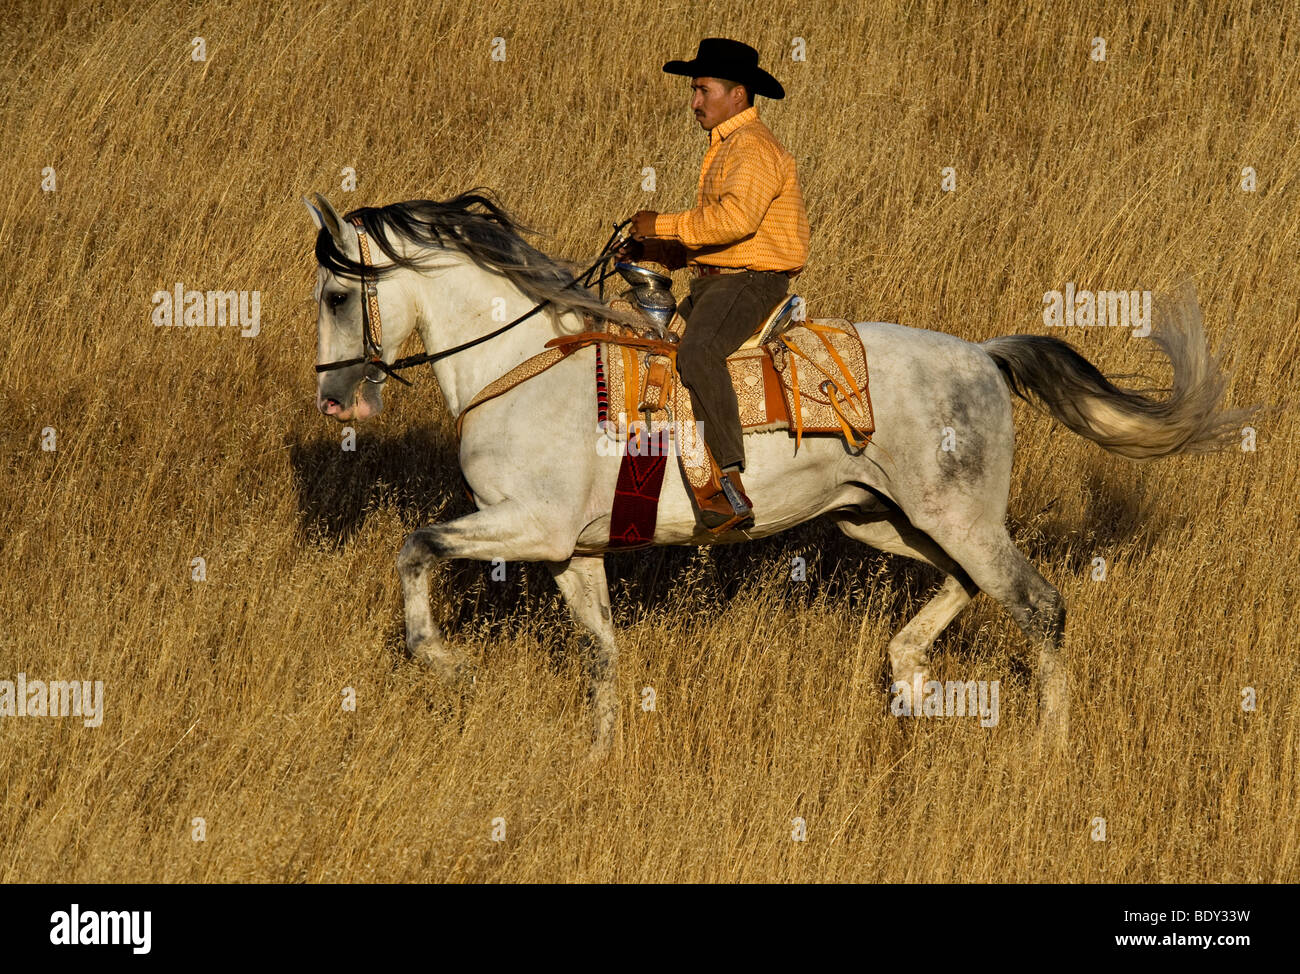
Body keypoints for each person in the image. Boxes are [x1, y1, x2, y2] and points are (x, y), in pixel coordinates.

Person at [620, 37, 810, 530]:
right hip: (718, 282)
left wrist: (660, 226)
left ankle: (729, 480)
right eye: (694, 90)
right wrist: (655, 251)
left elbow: (734, 222)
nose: (694, 102)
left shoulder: (752, 147)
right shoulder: (728, 146)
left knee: (697, 353)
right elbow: (714, 234)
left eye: (703, 90)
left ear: (738, 96)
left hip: (748, 284)